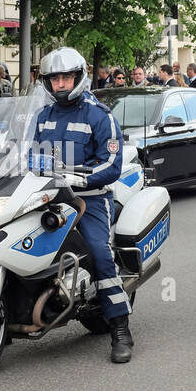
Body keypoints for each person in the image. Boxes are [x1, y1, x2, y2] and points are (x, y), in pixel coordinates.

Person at [32, 48, 135, 362]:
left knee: (99, 252)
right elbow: (27, 156)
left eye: (66, 78)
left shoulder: (99, 115)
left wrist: (82, 180)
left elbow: (112, 164)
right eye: (55, 79)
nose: (61, 84)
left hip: (89, 199)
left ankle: (120, 329)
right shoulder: (43, 116)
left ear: (78, 77)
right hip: (48, 197)